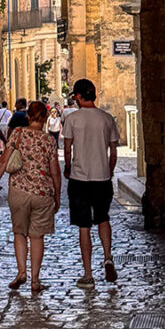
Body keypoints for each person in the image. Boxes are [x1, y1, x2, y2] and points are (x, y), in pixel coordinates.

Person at [0, 101, 61, 294]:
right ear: (45, 118)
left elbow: (4, 159)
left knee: (19, 233)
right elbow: (55, 171)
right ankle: (35, 280)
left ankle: (21, 272)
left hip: (19, 192)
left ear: (28, 116)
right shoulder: (49, 141)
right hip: (42, 194)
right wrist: (58, 195)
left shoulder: (18, 134)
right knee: (37, 236)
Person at [61, 78, 119, 288]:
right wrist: (109, 170)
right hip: (102, 177)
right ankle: (108, 256)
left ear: (77, 96)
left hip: (80, 178)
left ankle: (88, 274)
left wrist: (68, 167)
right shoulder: (107, 119)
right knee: (103, 219)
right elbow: (113, 152)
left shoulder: (72, 119)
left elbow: (67, 149)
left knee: (84, 226)